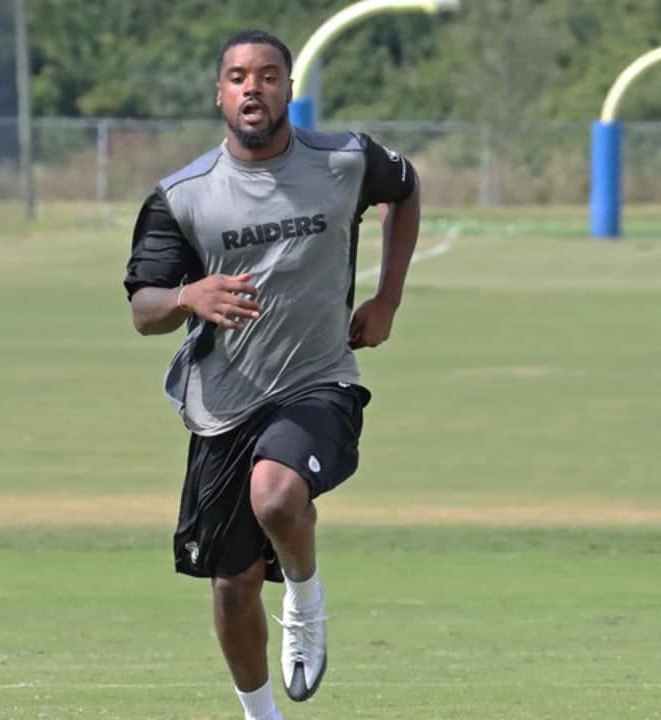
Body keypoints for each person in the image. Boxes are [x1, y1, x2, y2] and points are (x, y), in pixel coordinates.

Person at [123, 30, 420, 720]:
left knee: (279, 497)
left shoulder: (346, 159)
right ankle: (261, 716)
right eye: (237, 77)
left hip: (319, 379)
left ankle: (306, 601)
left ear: (289, 88)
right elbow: (143, 309)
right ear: (219, 93)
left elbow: (405, 191)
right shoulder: (182, 197)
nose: (252, 87)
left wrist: (388, 298)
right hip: (224, 403)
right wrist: (185, 298)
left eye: (267, 76)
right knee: (231, 585)